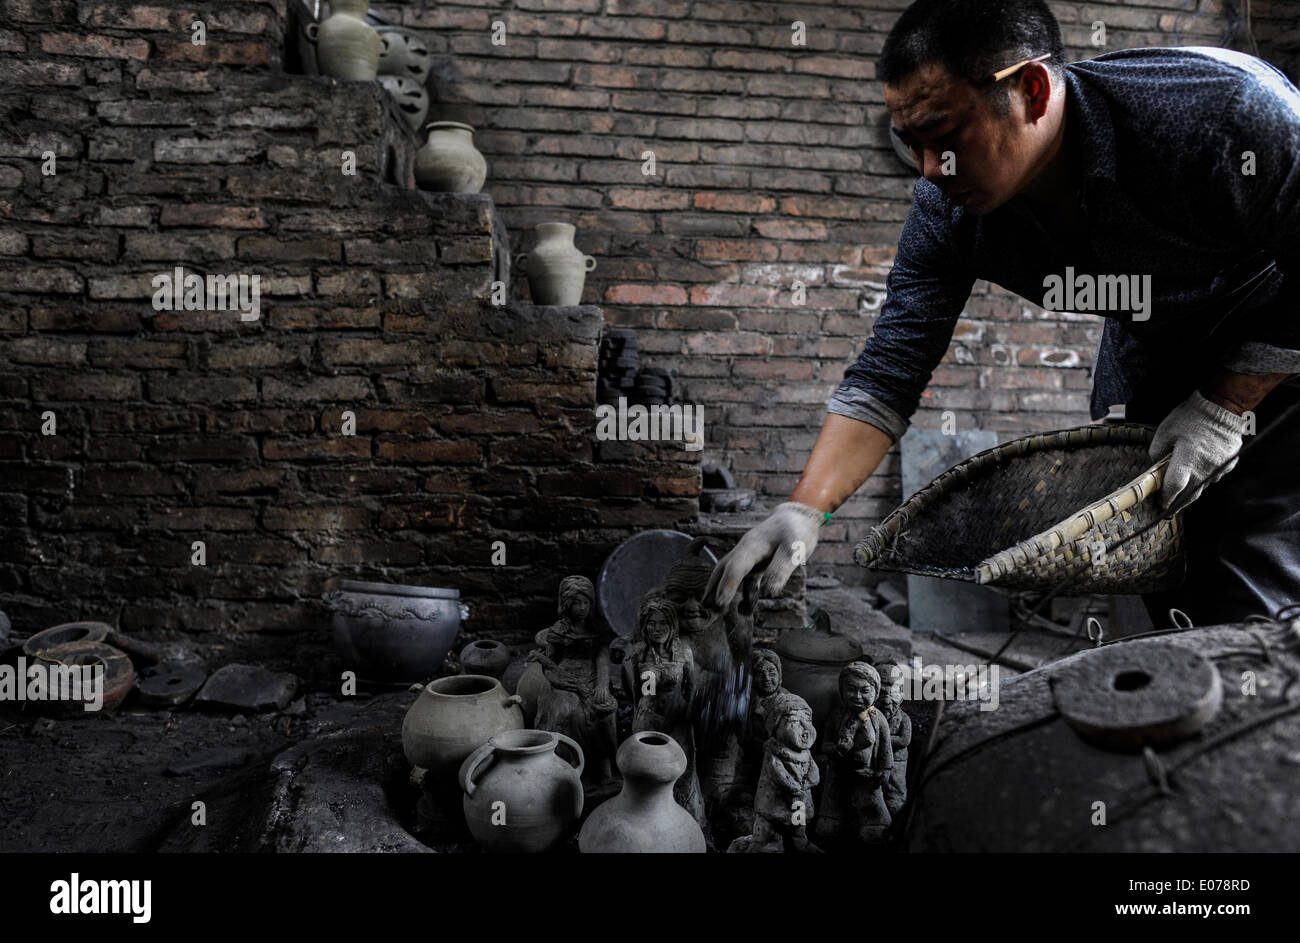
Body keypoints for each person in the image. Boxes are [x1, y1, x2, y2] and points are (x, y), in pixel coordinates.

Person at [704, 0, 1300, 629]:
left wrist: (1226, 403)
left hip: (1279, 344)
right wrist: (806, 509)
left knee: (1254, 601)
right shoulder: (946, 210)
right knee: (1174, 588)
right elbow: (891, 366)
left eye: (945, 136)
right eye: (911, 145)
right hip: (1158, 353)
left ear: (1032, 90)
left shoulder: (1224, 117)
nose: (933, 170)